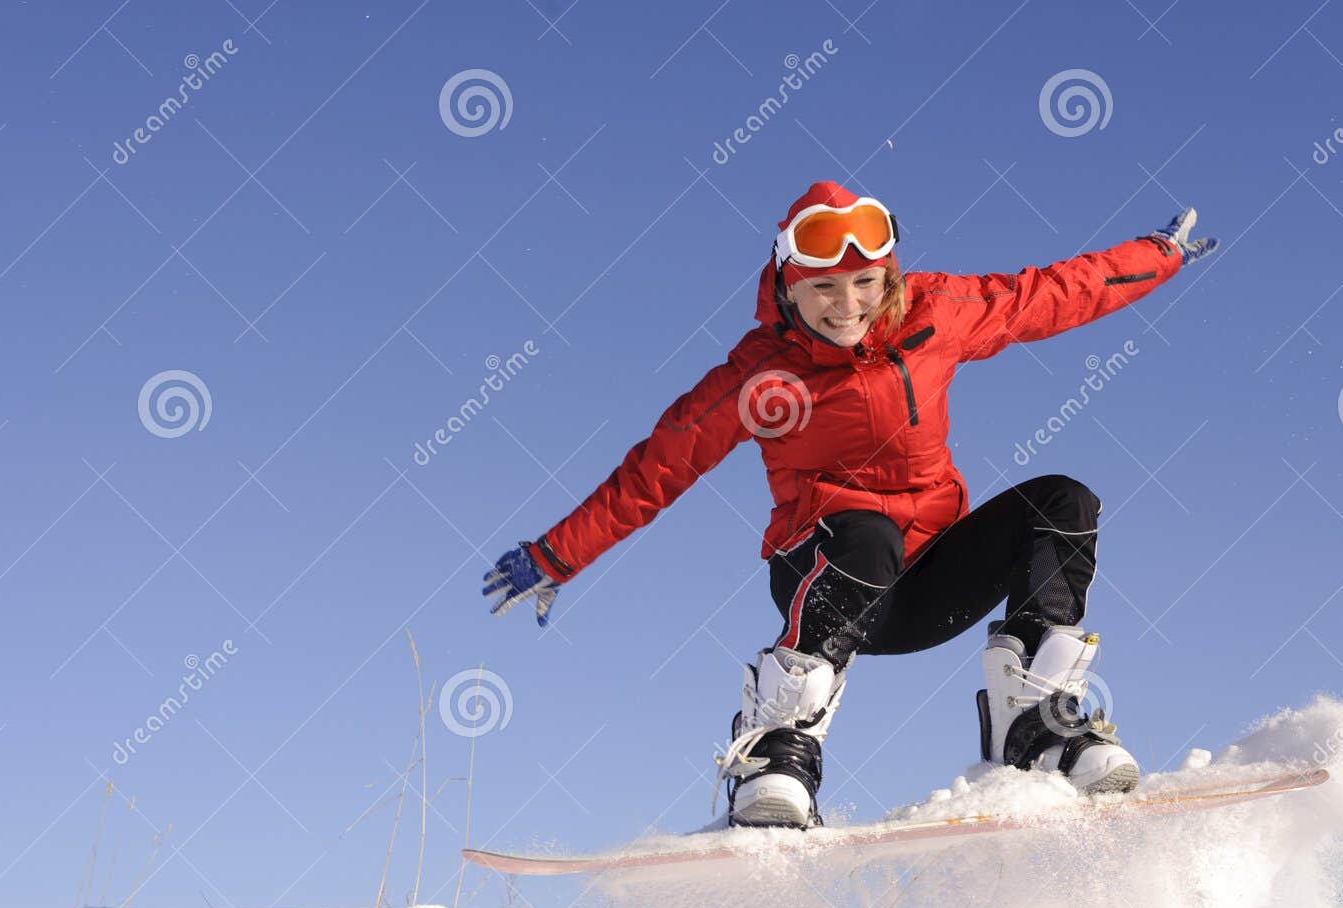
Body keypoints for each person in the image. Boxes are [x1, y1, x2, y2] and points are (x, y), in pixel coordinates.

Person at [483, 180, 1218, 828]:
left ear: (887, 273)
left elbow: (1050, 292)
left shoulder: (937, 312)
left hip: (928, 583)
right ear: (787, 286)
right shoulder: (760, 373)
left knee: (1062, 500)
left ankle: (1034, 722)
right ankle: (777, 749)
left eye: (864, 282)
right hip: (823, 569)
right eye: (823, 289)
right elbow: (657, 468)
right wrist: (556, 555)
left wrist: (1157, 255)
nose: (847, 306)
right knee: (866, 534)